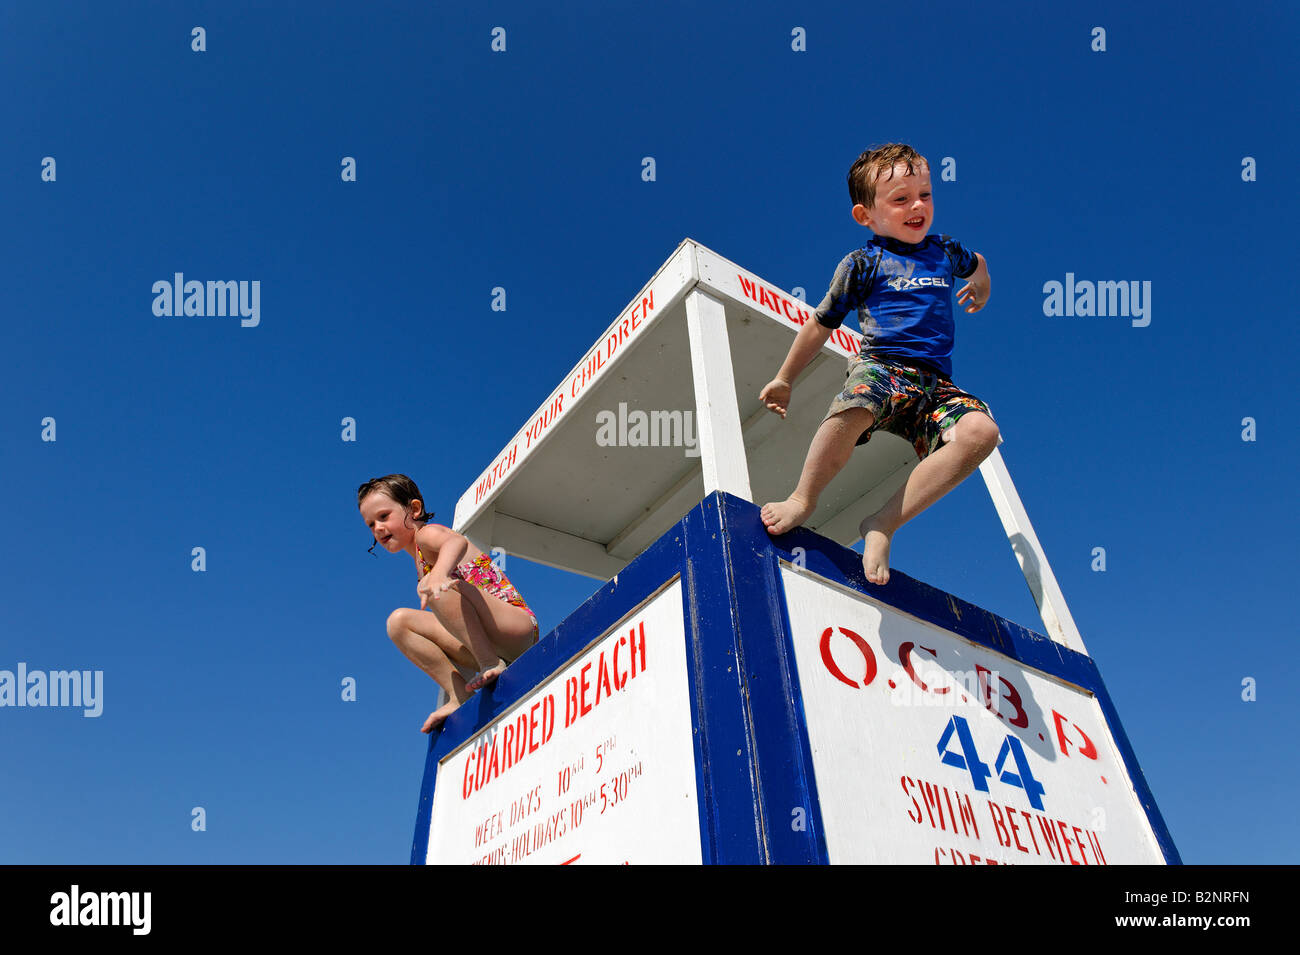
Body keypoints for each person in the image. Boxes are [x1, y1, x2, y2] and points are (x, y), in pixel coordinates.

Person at [759, 143, 1000, 586]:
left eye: (924, 194)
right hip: (882, 367)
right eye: (900, 198)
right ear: (865, 215)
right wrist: (784, 377)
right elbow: (819, 323)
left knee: (982, 432)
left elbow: (978, 262)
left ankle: (883, 523)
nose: (917, 206)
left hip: (935, 385)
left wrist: (981, 285)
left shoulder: (945, 251)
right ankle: (802, 498)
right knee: (856, 404)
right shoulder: (863, 264)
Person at [358, 474, 539, 733]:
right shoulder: (420, 565)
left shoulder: (427, 535)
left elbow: (456, 540)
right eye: (370, 524)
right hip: (486, 641)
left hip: (516, 628)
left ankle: (490, 662)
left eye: (384, 516)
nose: (377, 527)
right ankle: (458, 694)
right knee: (398, 622)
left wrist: (440, 574)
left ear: (414, 509)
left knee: (433, 585)